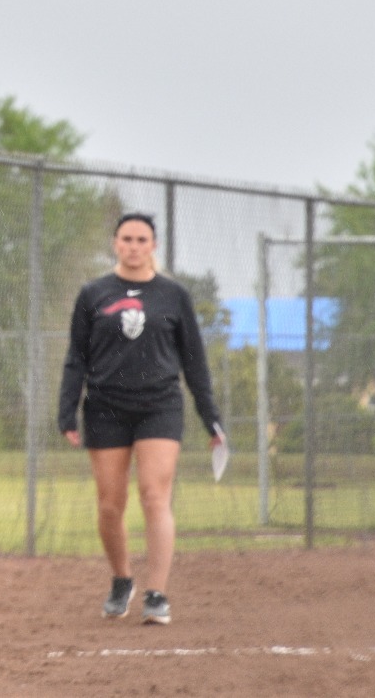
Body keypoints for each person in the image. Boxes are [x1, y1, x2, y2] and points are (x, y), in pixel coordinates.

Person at [57, 212, 224, 627]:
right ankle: (121, 580)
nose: (133, 246)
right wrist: (67, 411)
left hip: (159, 406)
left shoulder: (173, 295)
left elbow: (194, 362)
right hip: (106, 407)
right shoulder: (93, 293)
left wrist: (211, 418)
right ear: (115, 243)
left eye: (142, 239)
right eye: (126, 238)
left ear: (153, 246)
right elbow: (76, 357)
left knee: (154, 495)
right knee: (111, 505)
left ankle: (157, 594)